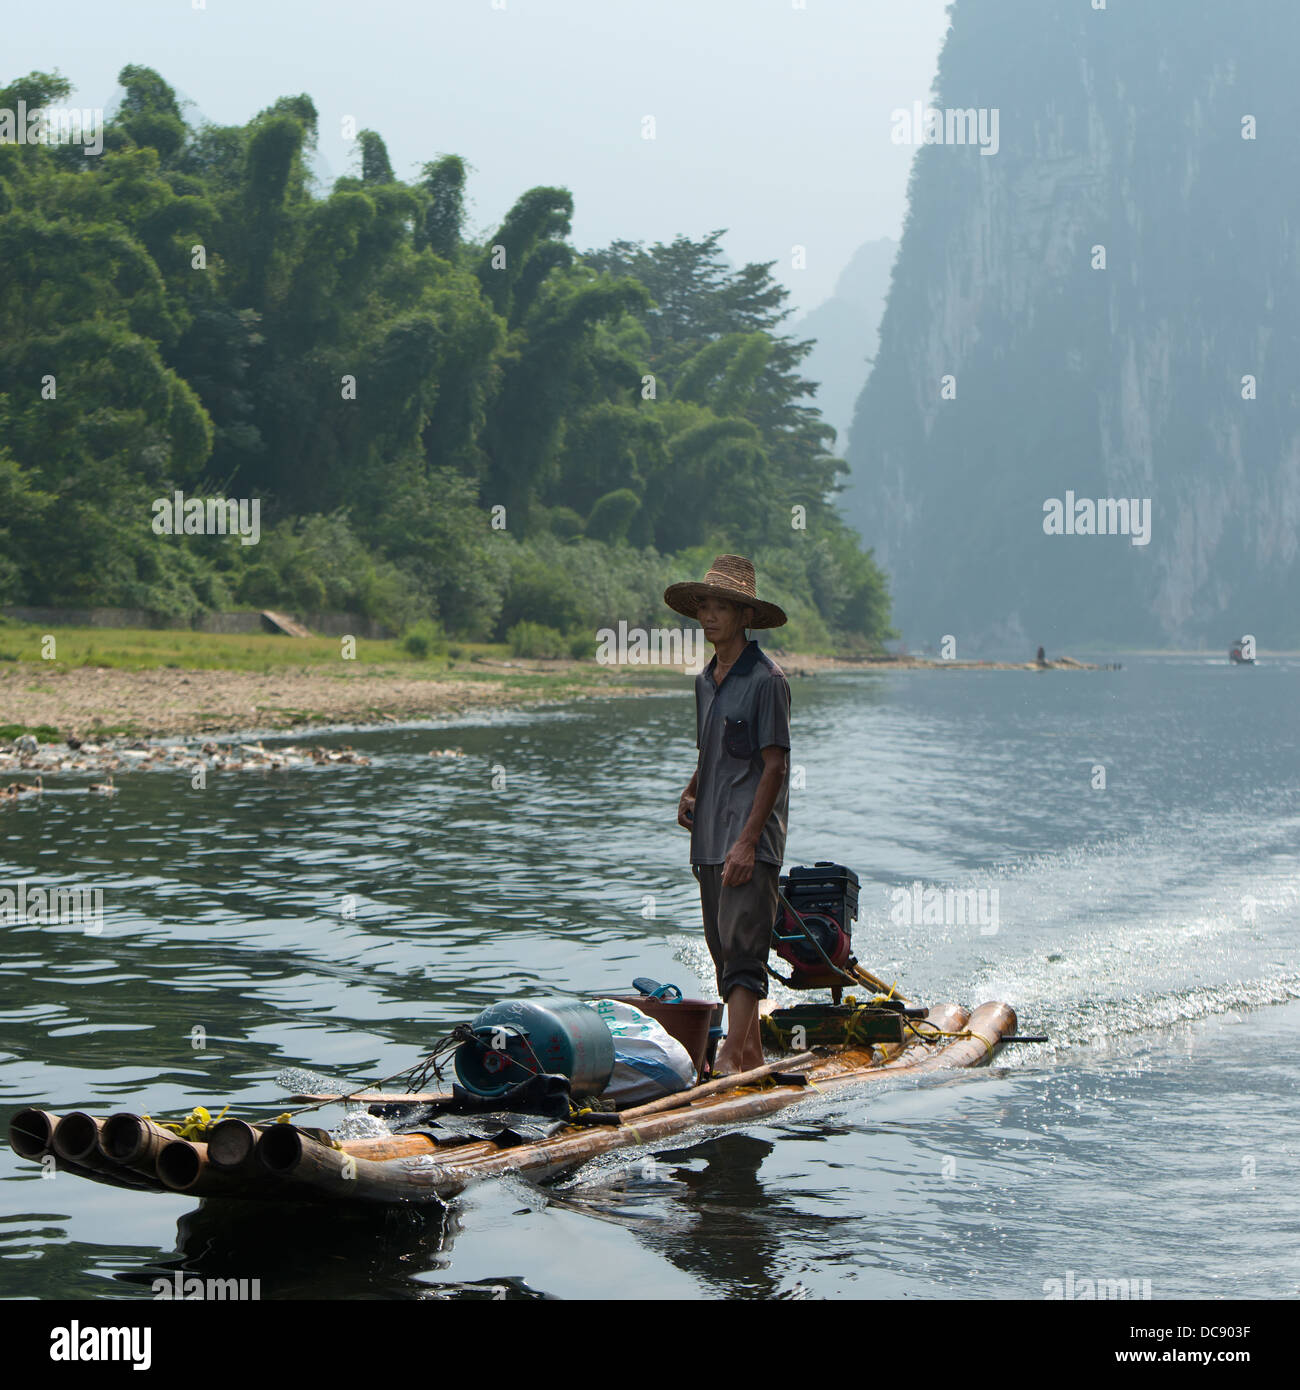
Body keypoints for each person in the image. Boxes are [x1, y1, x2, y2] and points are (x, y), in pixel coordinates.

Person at [664, 555, 791, 1075]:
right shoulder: (705, 681)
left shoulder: (767, 680)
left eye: (722, 607)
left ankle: (730, 1058)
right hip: (710, 836)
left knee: (742, 947)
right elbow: (709, 751)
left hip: (747, 839)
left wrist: (748, 841)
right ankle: (753, 1053)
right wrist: (691, 791)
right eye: (705, 607)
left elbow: (775, 765)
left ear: (745, 616)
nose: (710, 616)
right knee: (721, 947)